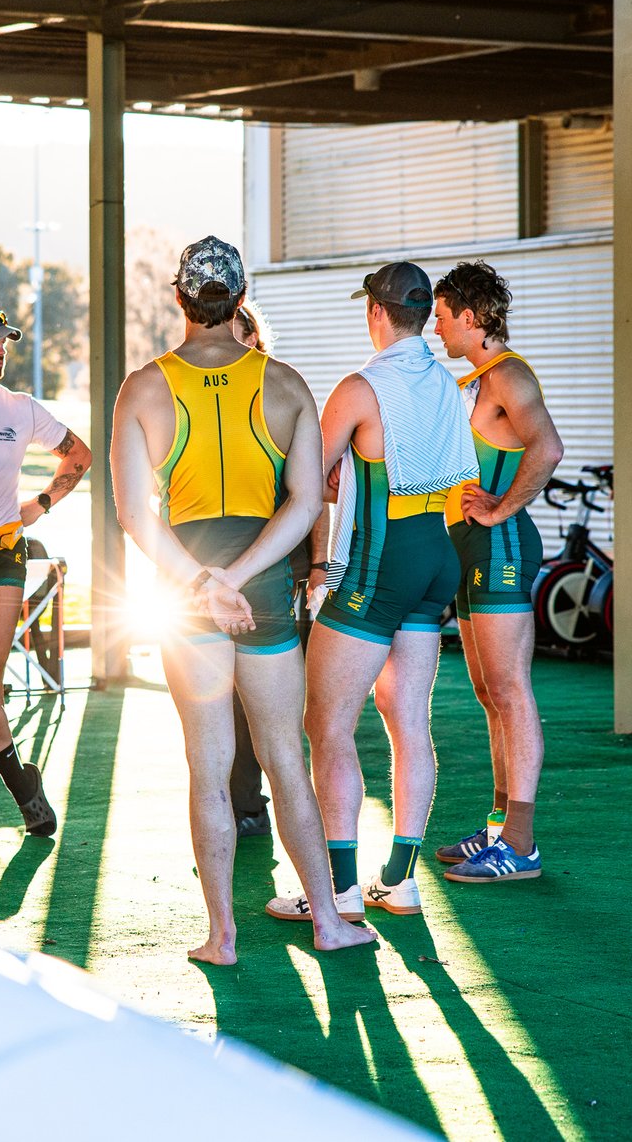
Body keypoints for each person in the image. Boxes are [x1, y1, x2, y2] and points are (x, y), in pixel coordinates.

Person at [110, 235, 373, 965]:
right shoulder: (285, 383)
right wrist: (241, 575)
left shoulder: (144, 387)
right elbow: (303, 503)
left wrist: (200, 582)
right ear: (241, 299)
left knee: (208, 764)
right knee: (286, 758)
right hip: (258, 588)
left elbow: (136, 516)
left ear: (178, 300)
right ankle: (326, 920)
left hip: (187, 591)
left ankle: (221, 936)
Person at [270, 262, 477, 923]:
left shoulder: (360, 387)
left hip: (377, 566)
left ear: (375, 313)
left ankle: (339, 890)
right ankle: (401, 881)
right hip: (437, 558)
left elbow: (307, 479)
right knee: (408, 721)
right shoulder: (447, 382)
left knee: (327, 727)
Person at [431, 261, 562, 883]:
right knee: (489, 695)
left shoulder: (508, 375)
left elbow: (549, 446)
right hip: (475, 551)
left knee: (510, 692)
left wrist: (502, 507)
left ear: (471, 316)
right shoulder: (476, 379)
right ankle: (497, 827)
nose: (434, 326)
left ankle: (522, 844)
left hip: (502, 546)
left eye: (440, 315)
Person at [0, 305, 87, 846]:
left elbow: (79, 455)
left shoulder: (20, 408)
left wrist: (41, 503)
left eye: (5, 341)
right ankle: (22, 784)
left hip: (6, 554)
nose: (0, 349)